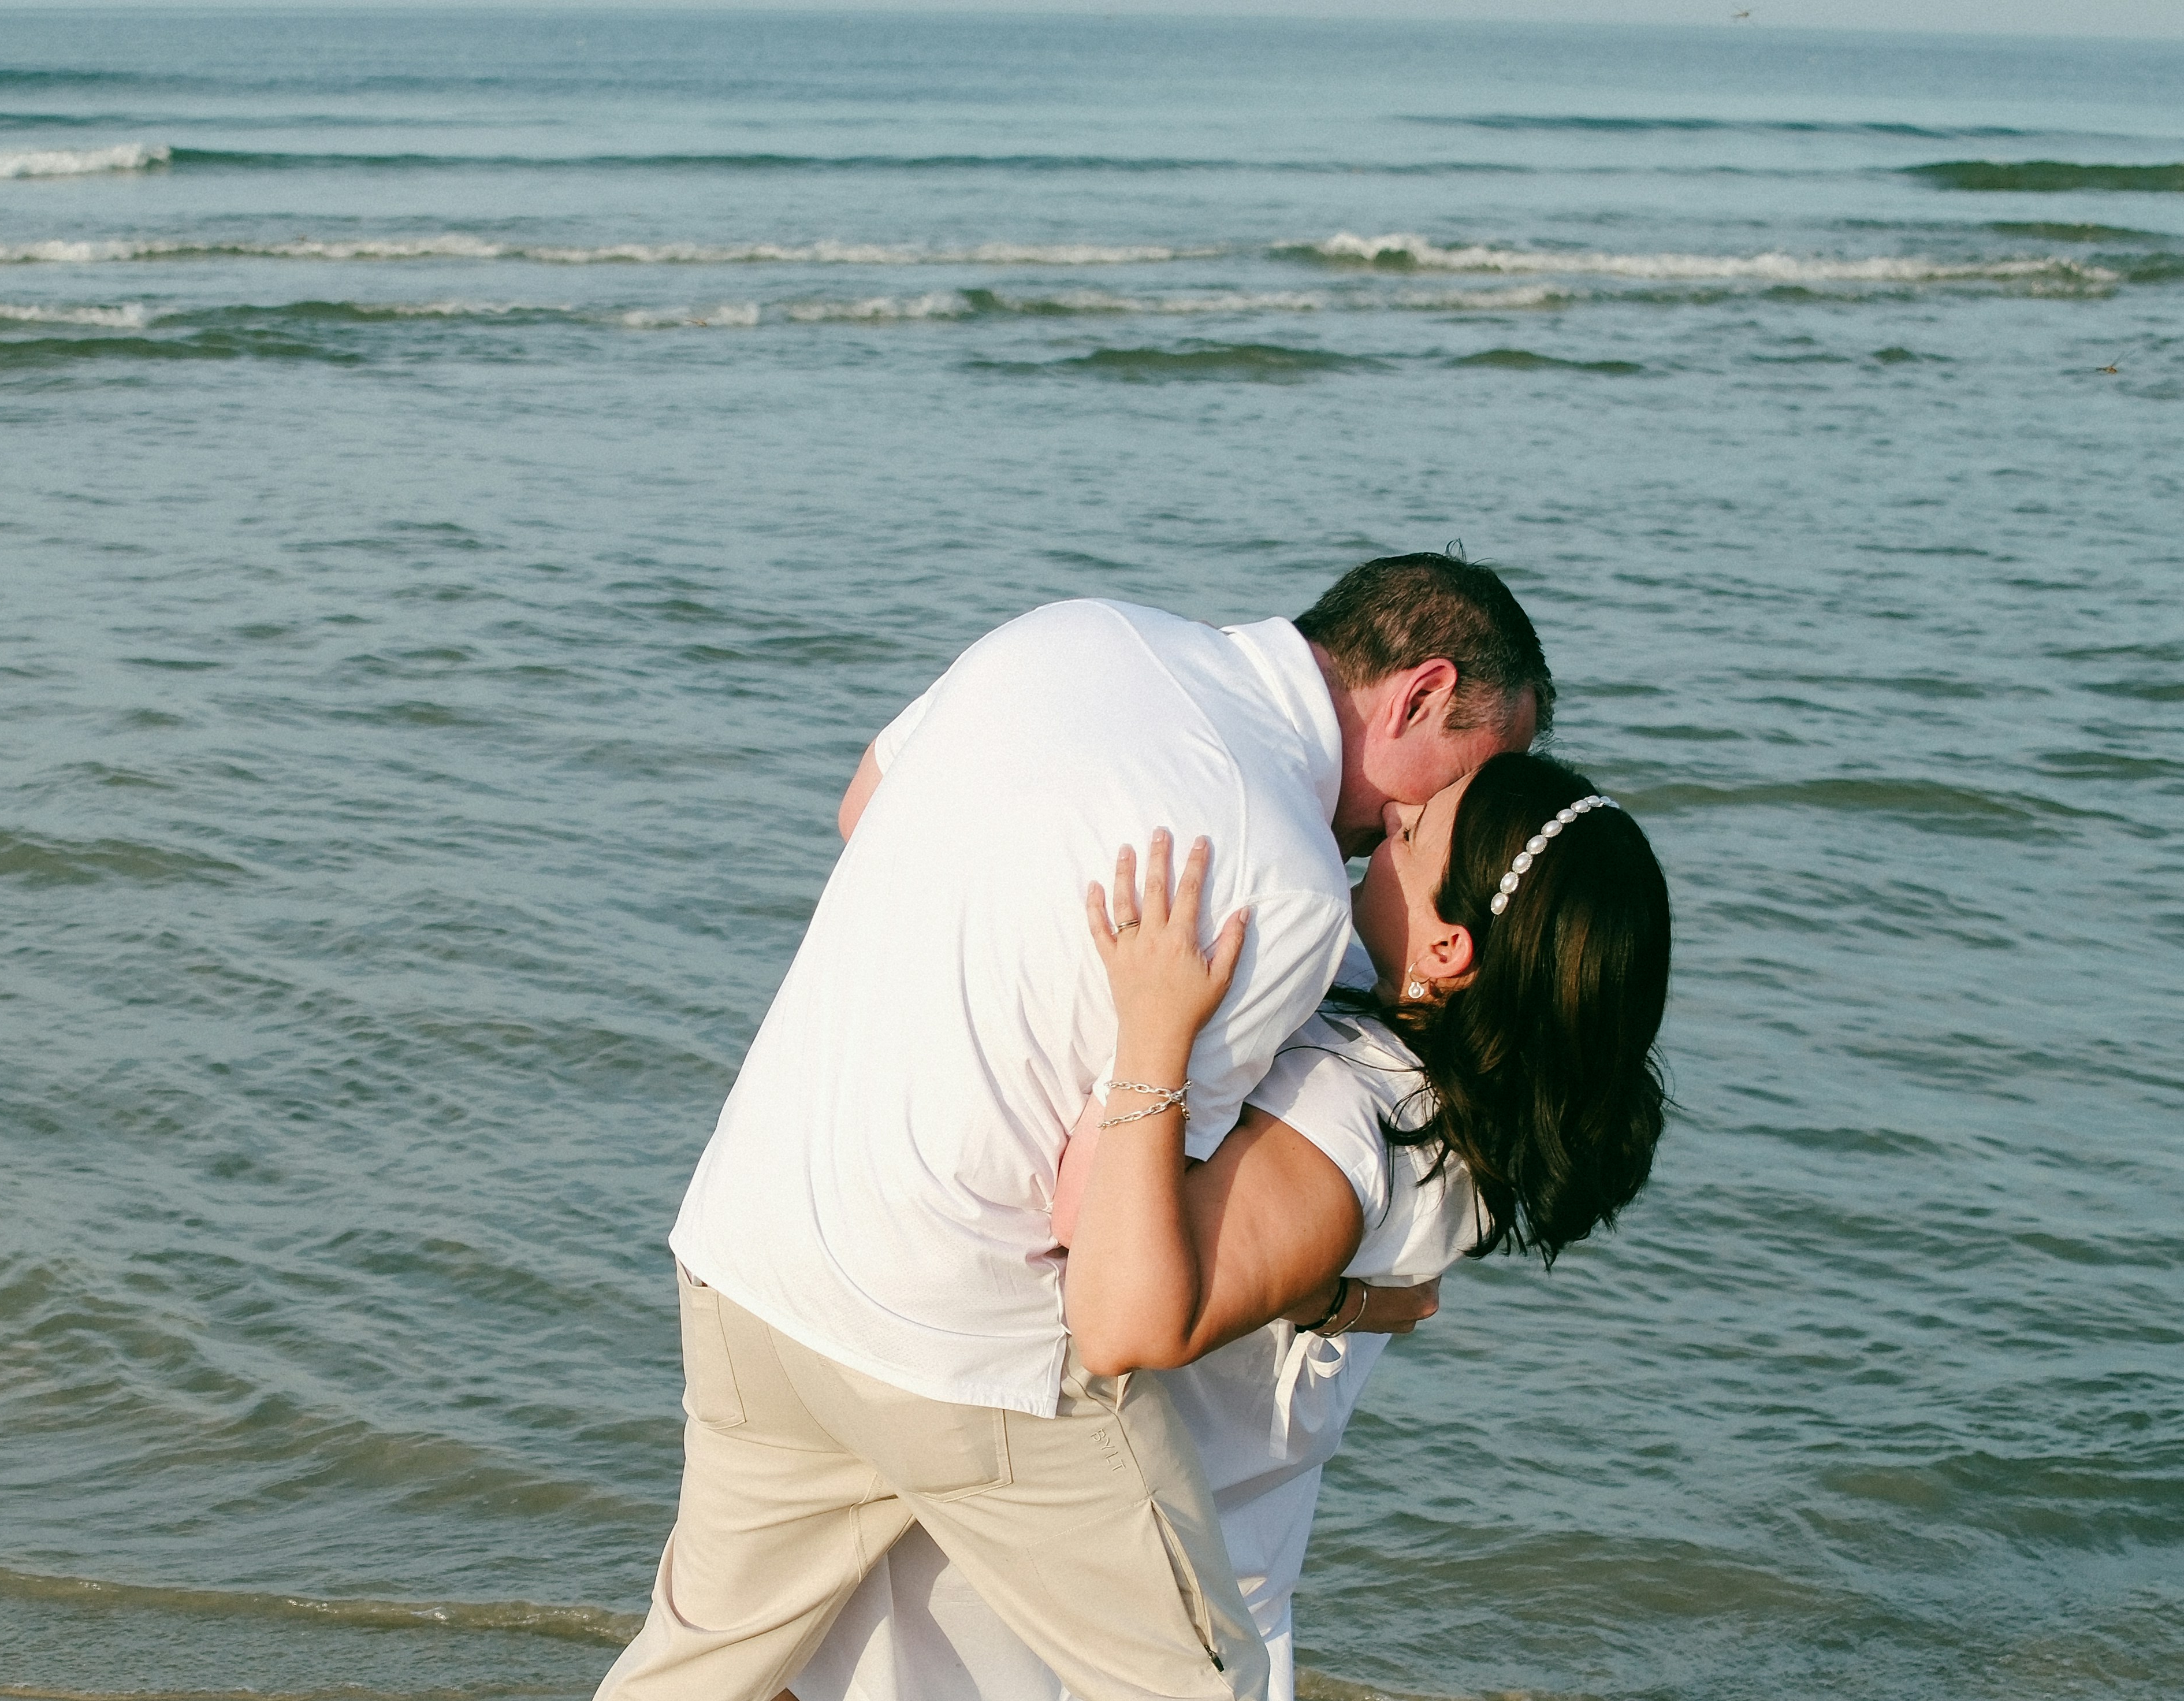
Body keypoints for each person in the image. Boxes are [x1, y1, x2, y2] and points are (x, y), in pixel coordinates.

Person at [600, 556, 1552, 1701]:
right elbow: (1093, 1229)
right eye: (1474, 772)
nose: (1450, 814)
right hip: (956, 1335)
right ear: (1419, 693)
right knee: (1206, 1678)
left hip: (751, 1241)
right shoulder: (1287, 883)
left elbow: (867, 811)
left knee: (697, 1667)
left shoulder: (1072, 632)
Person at [784, 752, 1672, 1701]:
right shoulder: (1448, 1105)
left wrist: (1155, 1031)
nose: (1394, 816)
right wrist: (1341, 1300)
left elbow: (1128, 1324)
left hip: (1098, 1588)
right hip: (1198, 1551)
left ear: (1450, 952)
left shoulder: (1344, 1118)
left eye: (1411, 836)